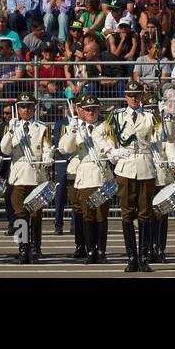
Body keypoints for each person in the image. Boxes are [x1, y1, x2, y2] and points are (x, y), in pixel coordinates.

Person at [58, 93, 115, 264]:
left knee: (101, 215)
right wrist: (74, 130)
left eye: (94, 109)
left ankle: (102, 251)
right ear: (80, 110)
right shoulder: (73, 127)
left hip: (103, 175)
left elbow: (112, 150)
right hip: (85, 176)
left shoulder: (105, 127)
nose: (91, 112)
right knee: (88, 215)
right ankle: (90, 251)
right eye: (88, 109)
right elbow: (64, 149)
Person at [109, 81, 158, 272]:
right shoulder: (117, 116)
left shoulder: (150, 115)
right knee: (127, 212)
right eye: (130, 95)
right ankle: (131, 257)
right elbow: (103, 134)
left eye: (137, 95)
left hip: (145, 165)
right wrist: (111, 150)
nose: (134, 98)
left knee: (145, 212)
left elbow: (163, 137)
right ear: (125, 97)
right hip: (126, 166)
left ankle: (144, 257)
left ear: (142, 96)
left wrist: (166, 118)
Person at [0, 91, 54, 264]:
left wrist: (48, 157)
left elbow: (47, 148)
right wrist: (10, 131)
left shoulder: (42, 127)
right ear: (18, 108)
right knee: (19, 214)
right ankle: (22, 249)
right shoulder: (12, 127)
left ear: (34, 108)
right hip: (18, 176)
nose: (26, 110)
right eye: (23, 106)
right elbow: (5, 150)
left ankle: (35, 248)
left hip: (37, 175)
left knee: (36, 214)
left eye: (29, 106)